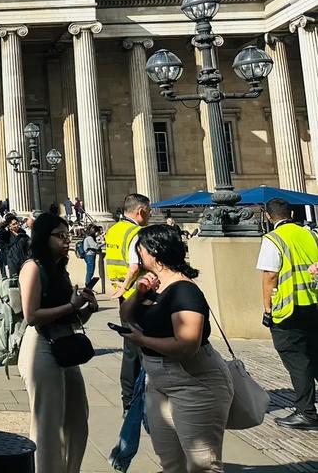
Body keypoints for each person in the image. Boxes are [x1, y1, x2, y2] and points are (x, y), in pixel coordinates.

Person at [118, 224, 231, 472]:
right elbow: (126, 315)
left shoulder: (185, 291)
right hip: (158, 384)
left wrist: (143, 340)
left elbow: (187, 345)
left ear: (155, 253)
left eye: (140, 249)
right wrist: (138, 293)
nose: (137, 254)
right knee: (170, 462)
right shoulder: (154, 286)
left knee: (202, 465)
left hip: (195, 383)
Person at [18, 212, 97, 473]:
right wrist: (70, 305)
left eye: (68, 235)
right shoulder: (32, 267)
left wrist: (85, 308)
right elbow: (31, 315)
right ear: (44, 237)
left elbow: (70, 316)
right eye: (60, 236)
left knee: (77, 416)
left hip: (62, 342)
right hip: (40, 345)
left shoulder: (59, 269)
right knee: (47, 422)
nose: (67, 241)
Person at [257, 196, 318, 429]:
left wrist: (267, 309)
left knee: (298, 362)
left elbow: (269, 276)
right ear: (292, 215)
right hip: (314, 303)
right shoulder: (311, 234)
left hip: (288, 309)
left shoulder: (273, 239)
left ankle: (306, 413)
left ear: (269, 217)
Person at [106, 193, 151, 412]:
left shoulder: (114, 230)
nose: (150, 216)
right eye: (149, 212)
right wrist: (127, 285)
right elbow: (134, 266)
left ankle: (128, 398)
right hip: (137, 294)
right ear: (140, 211)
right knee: (141, 346)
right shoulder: (136, 232)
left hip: (121, 294)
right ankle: (137, 398)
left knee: (130, 347)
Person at [0, 212, 30, 278]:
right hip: (10, 263)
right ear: (9, 226)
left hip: (22, 262)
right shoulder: (6, 235)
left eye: (17, 223)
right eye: (13, 224)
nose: (16, 225)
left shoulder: (23, 234)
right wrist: (6, 221)